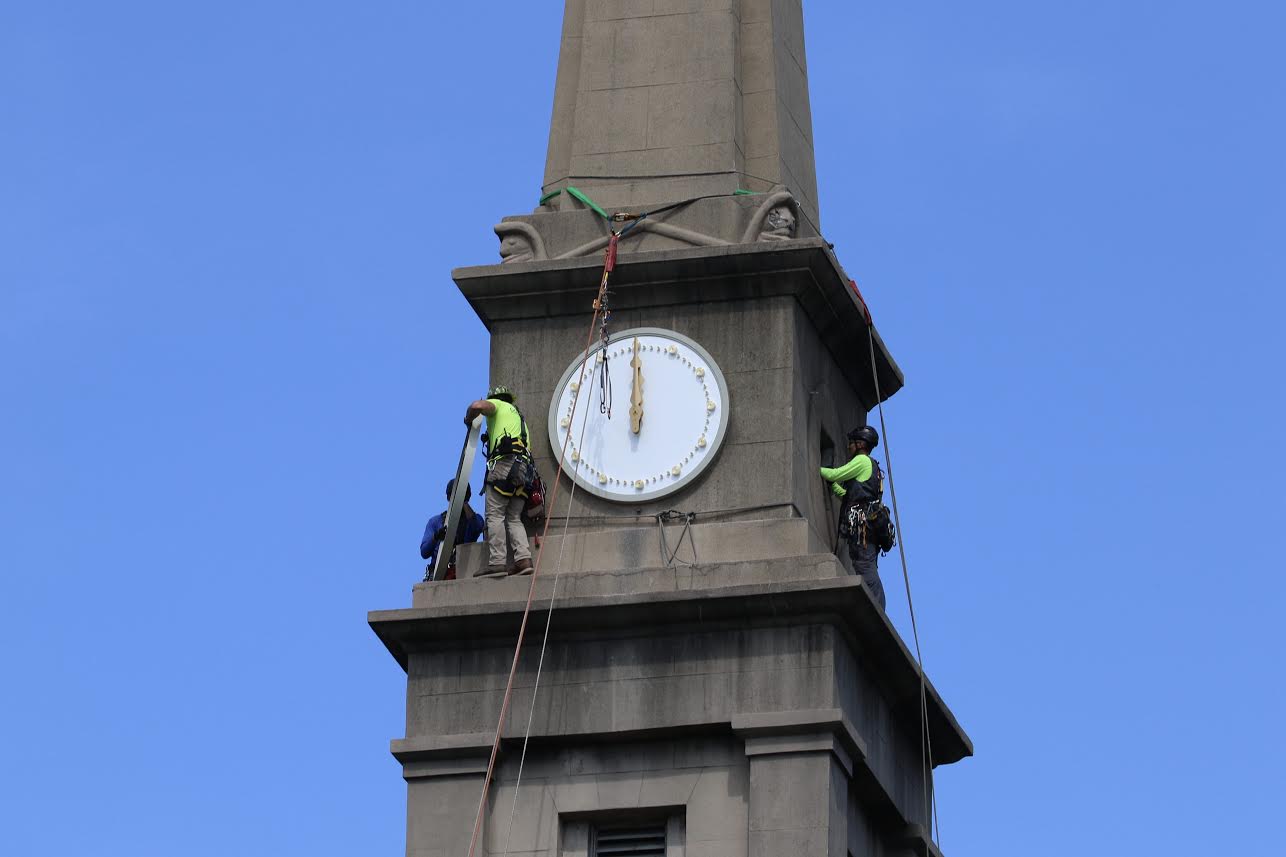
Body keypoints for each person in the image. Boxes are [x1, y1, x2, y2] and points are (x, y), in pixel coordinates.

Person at [464, 385, 534, 576]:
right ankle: (523, 560)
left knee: (494, 515)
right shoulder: (519, 419)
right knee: (513, 517)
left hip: (505, 464)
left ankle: (497, 562)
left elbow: (477, 405)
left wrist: (468, 418)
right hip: (524, 471)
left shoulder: (497, 405)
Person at [819, 426, 887, 609]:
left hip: (862, 527)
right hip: (869, 526)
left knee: (865, 566)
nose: (848, 447)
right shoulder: (871, 467)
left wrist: (815, 466)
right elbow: (850, 495)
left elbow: (835, 474)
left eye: (851, 444)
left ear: (860, 444)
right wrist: (834, 487)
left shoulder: (862, 461)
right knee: (865, 564)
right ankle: (876, 604)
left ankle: (877, 606)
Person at [420, 479, 486, 581]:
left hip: (463, 573)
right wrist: (436, 537)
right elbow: (424, 552)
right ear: (448, 498)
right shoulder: (436, 522)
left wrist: (463, 501)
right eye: (454, 497)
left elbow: (477, 526)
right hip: (438, 574)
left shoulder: (474, 519)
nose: (457, 500)